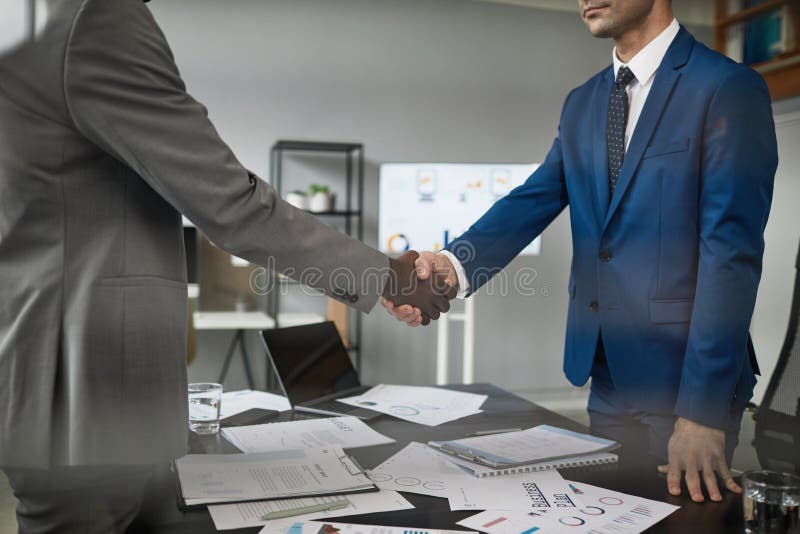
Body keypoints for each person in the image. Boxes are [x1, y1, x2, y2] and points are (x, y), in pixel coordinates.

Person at [0, 0, 453, 532]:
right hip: (86, 395)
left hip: (52, 383)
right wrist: (389, 277)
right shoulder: (95, 16)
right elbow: (229, 203)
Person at [384, 0, 777, 504]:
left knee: (681, 520)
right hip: (605, 370)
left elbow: (731, 256)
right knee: (607, 512)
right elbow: (532, 200)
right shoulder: (582, 102)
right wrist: (451, 266)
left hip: (685, 380)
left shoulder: (726, 88)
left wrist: (700, 410)